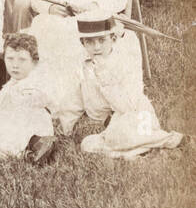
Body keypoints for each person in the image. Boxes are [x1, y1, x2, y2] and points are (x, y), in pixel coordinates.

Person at [72, 11, 182, 159]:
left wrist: (104, 76)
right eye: (90, 42)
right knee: (87, 144)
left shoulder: (124, 62)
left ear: (113, 39)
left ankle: (171, 140)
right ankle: (138, 153)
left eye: (102, 40)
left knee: (119, 134)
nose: (96, 47)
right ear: (83, 43)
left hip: (136, 115)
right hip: (109, 125)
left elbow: (126, 106)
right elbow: (80, 100)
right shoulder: (84, 65)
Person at [0, 33, 57, 162]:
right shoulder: (9, 86)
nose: (15, 65)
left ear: (35, 62)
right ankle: (22, 156)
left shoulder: (33, 84)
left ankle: (32, 148)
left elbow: (43, 101)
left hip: (30, 129)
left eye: (22, 60)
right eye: (10, 59)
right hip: (11, 128)